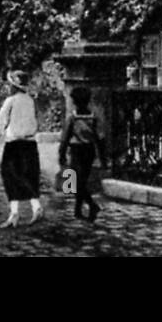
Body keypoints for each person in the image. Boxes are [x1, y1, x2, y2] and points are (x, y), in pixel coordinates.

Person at [0, 69, 43, 228]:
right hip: (30, 144)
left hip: (14, 145)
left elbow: (1, 122)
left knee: (10, 176)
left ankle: (14, 213)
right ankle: (36, 207)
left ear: (14, 87)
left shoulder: (10, 101)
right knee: (29, 176)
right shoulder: (30, 100)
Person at [59, 85, 106, 222]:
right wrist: (102, 157)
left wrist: (62, 154)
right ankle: (78, 210)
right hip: (89, 151)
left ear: (74, 101)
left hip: (77, 151)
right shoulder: (94, 117)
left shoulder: (72, 118)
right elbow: (100, 138)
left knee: (77, 182)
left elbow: (65, 137)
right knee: (81, 181)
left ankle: (91, 205)